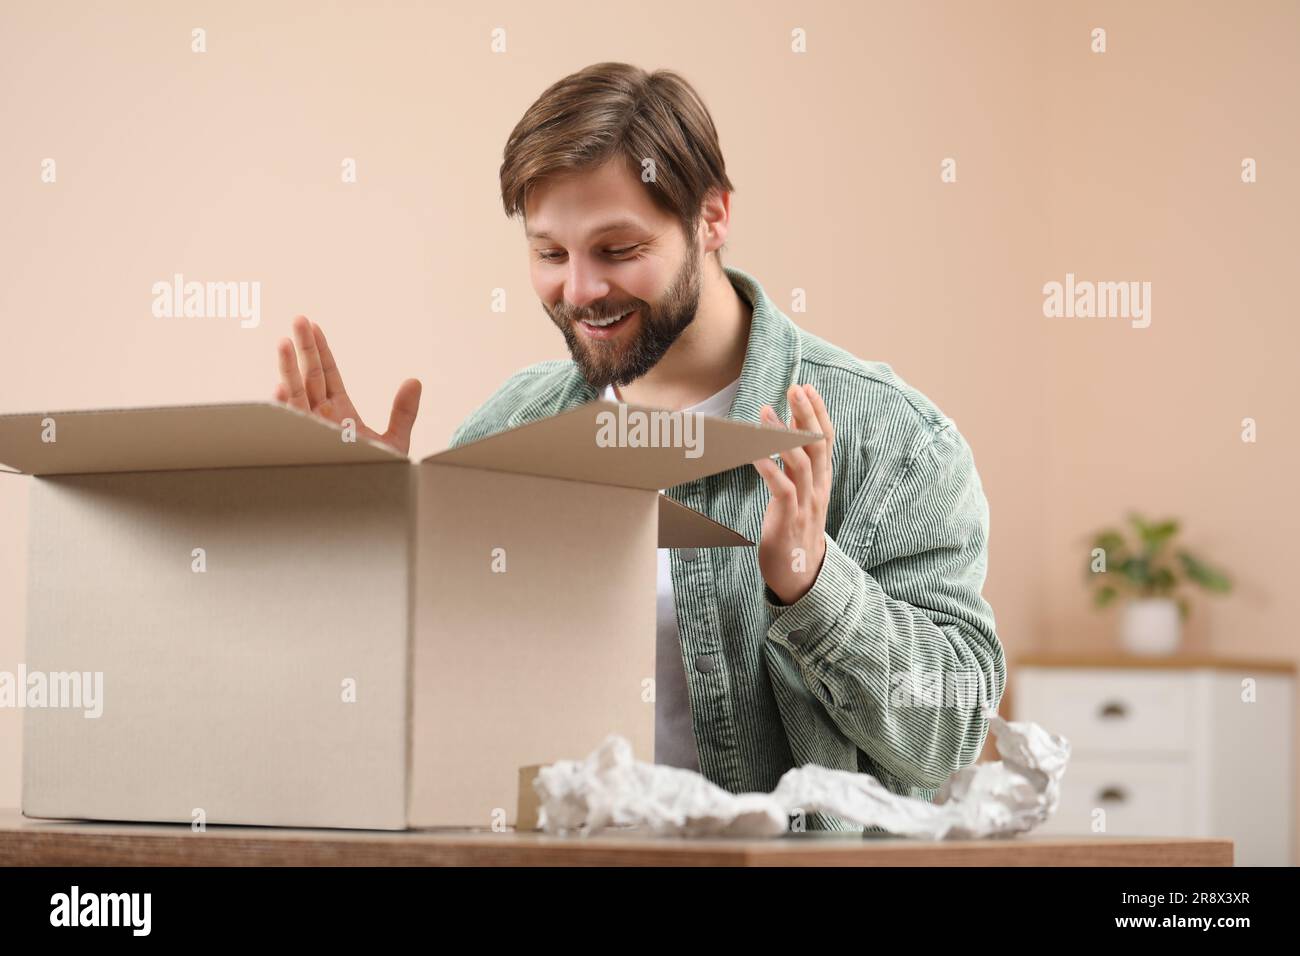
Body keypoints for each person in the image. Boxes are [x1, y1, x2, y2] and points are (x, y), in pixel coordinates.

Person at [273, 62, 1005, 831]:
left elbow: (949, 739)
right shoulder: (508, 431)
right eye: (550, 254)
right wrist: (371, 538)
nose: (580, 290)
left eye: (617, 250)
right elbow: (414, 713)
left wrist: (812, 585)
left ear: (712, 217)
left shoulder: (895, 441)